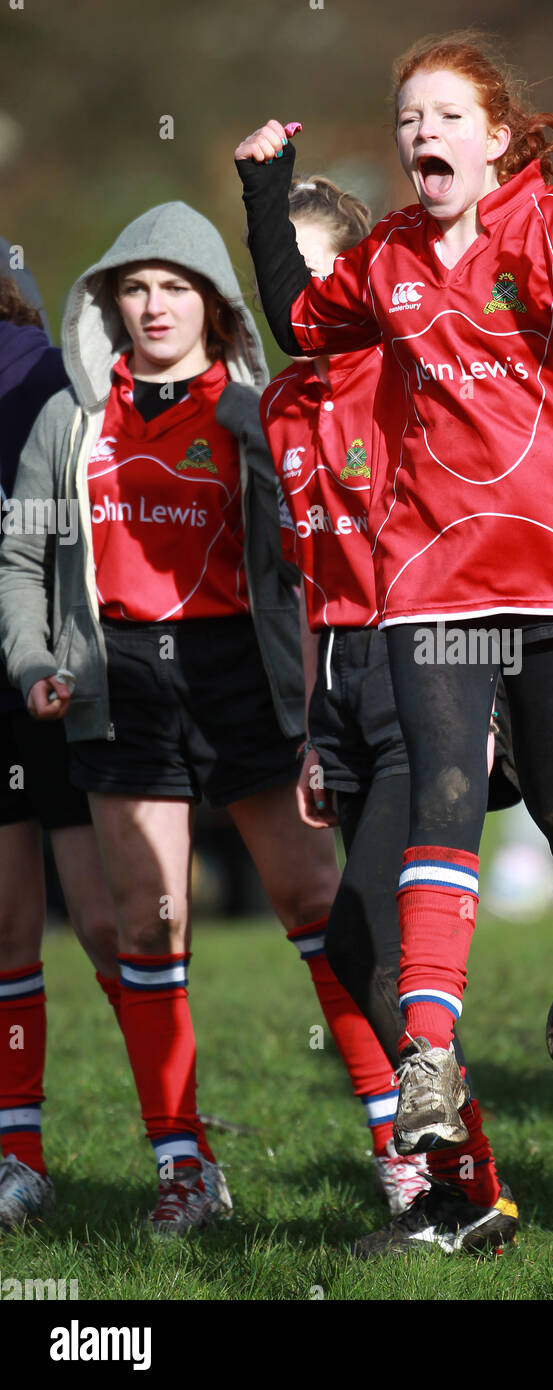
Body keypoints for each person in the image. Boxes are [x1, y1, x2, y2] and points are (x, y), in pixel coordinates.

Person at [236, 29, 553, 1156]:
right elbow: (298, 325)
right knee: (442, 788)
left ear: (494, 139)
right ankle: (431, 1052)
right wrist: (262, 195)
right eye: (407, 122)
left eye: (444, 118)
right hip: (432, 572)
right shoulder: (386, 255)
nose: (421, 135)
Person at [0, 202, 405, 1235]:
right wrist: (38, 660)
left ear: (215, 307)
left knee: (315, 901)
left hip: (241, 678)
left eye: (174, 288)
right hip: (118, 682)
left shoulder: (255, 414)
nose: (153, 306)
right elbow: (19, 558)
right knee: (148, 922)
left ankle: (399, 1145)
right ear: (108, 304)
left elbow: (316, 554)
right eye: (133, 289)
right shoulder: (72, 420)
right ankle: (184, 1168)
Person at [261, 171, 517, 1254]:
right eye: (293, 276)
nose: (311, 298)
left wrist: (487, 695)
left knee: (371, 924)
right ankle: (470, 1196)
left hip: (433, 668)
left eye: (328, 273)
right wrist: (318, 729)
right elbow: (310, 580)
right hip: (345, 683)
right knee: (353, 940)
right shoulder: (280, 409)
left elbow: (484, 535)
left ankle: (466, 1195)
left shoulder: (414, 376)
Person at [0, 265, 124, 1230]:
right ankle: (21, 1161)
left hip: (48, 682)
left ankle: (180, 1144)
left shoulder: (47, 377)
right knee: (28, 929)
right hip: (21, 685)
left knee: (103, 925)